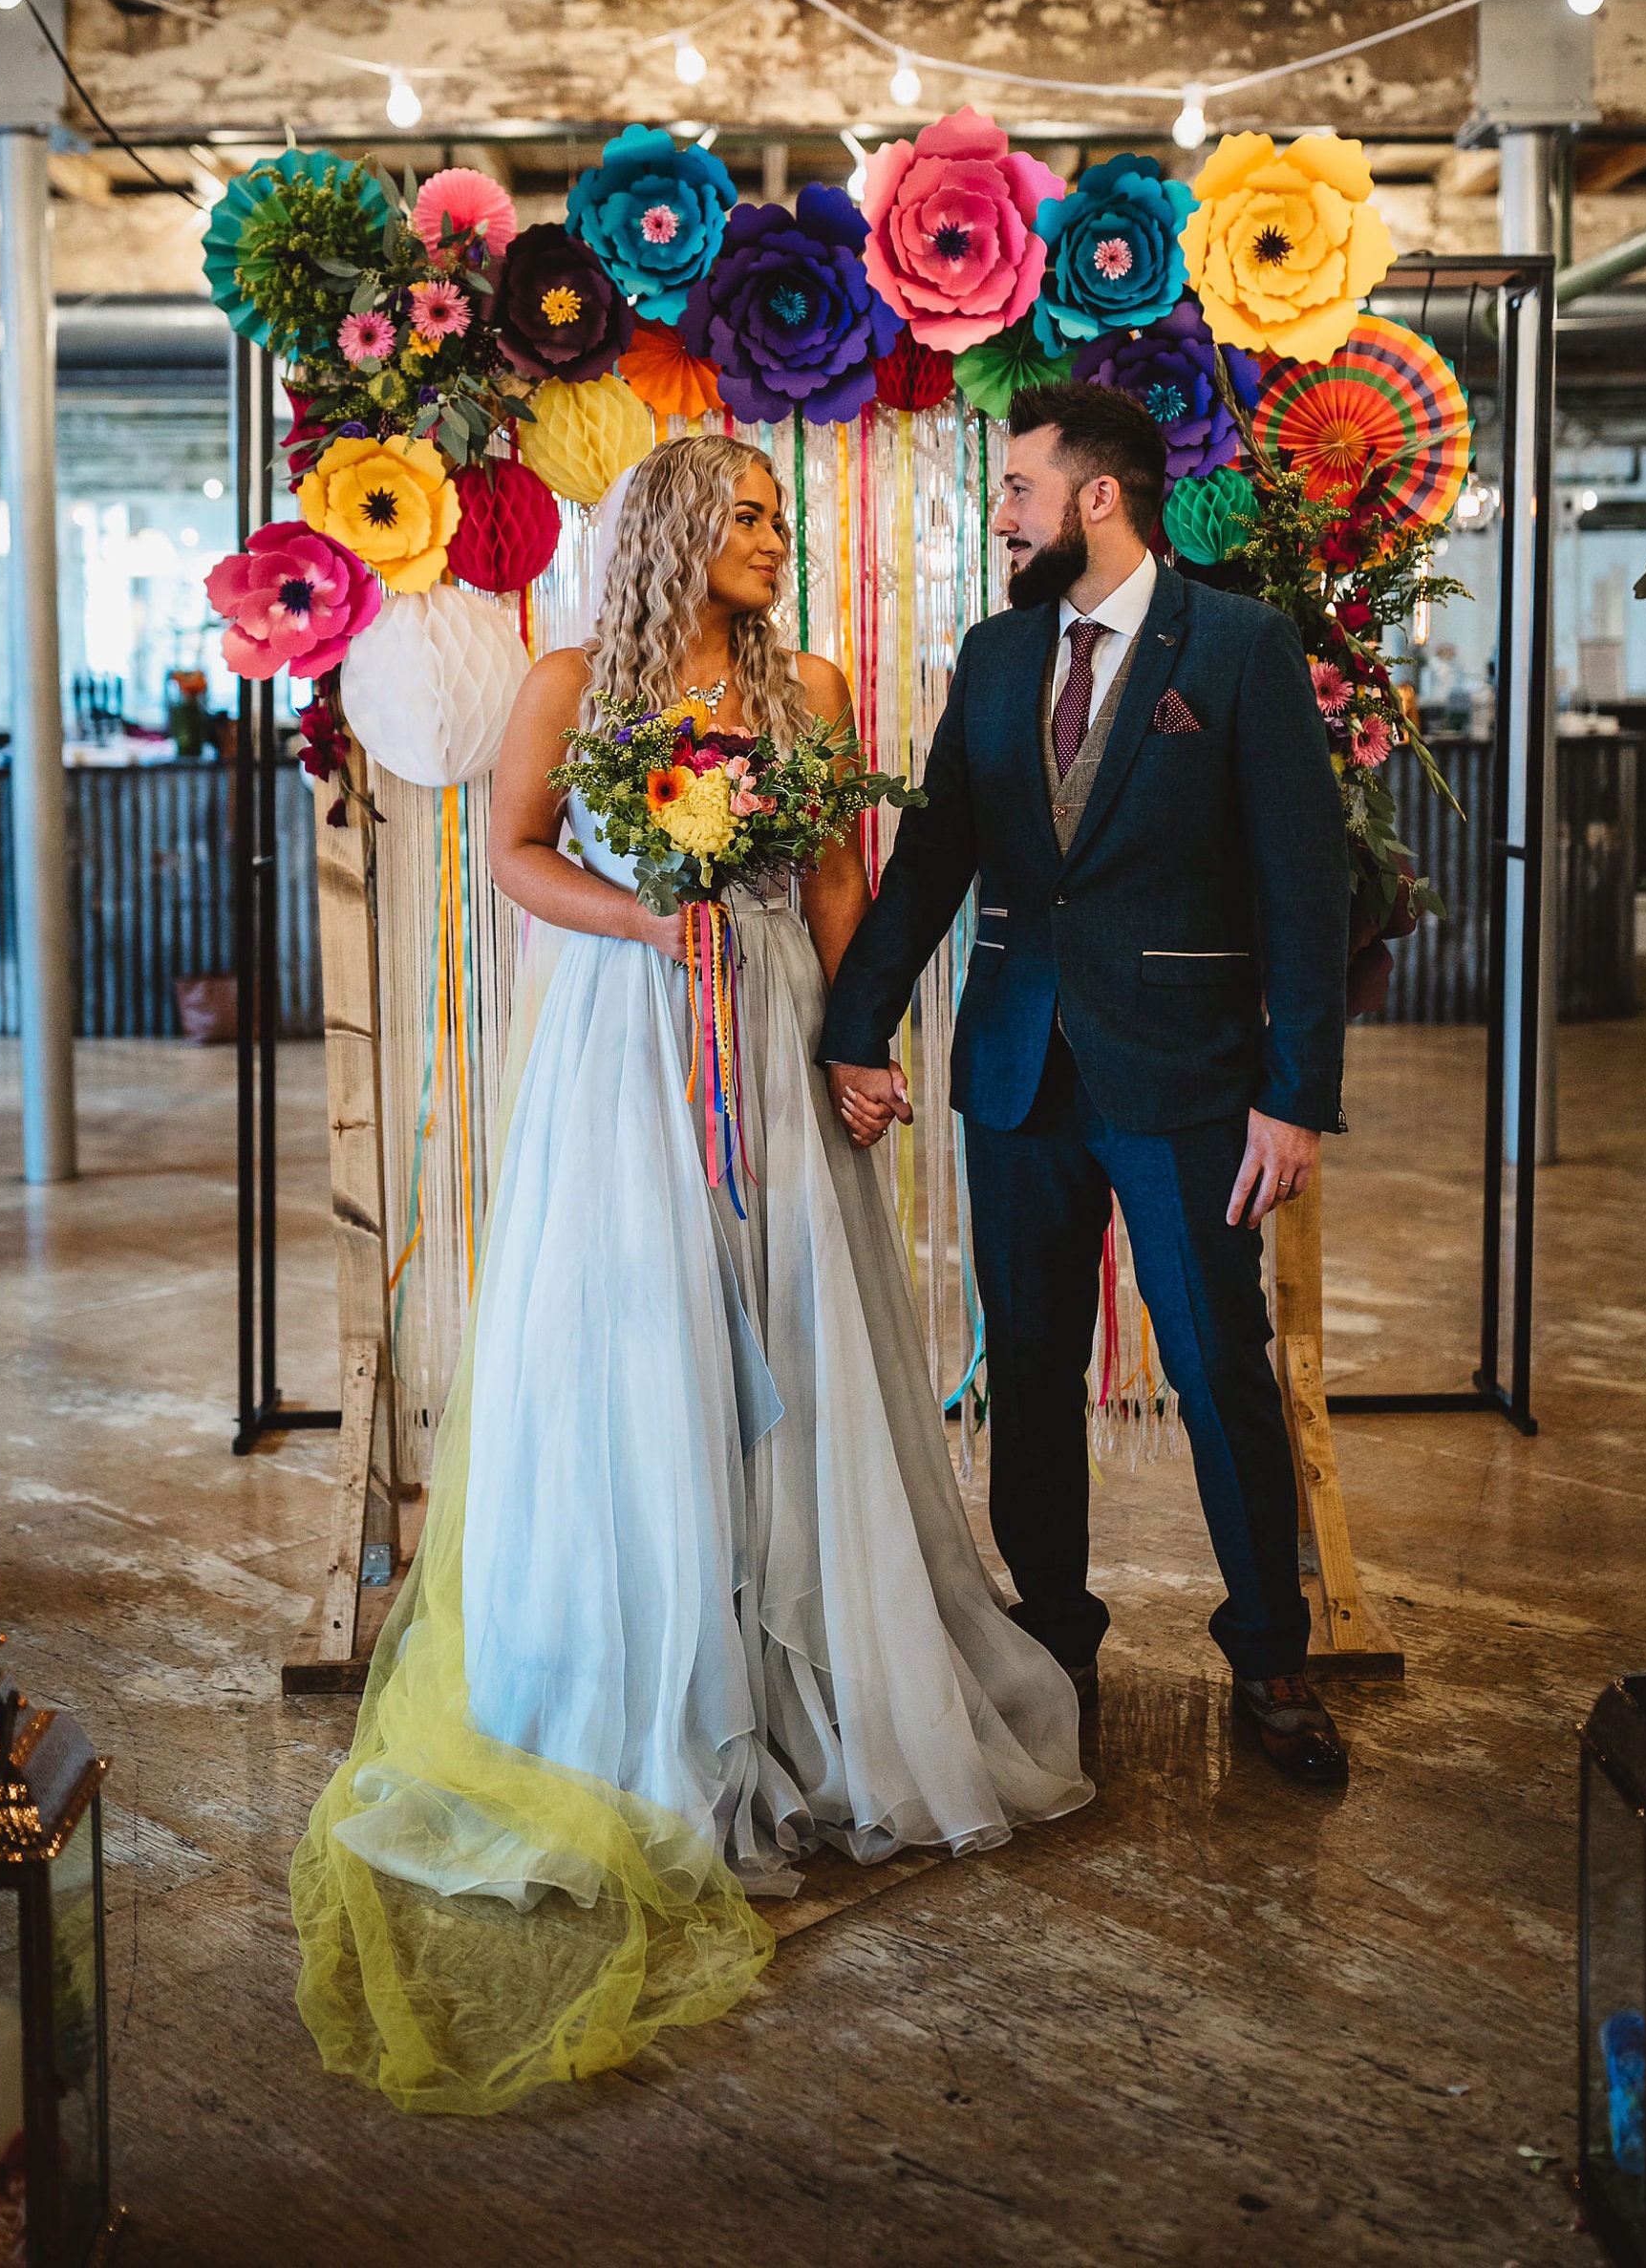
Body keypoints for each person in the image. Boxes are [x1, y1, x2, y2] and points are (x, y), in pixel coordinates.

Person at [292, 432, 1089, 2119]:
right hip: (628, 1039)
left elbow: (839, 875)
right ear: (669, 528)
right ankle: (652, 1701)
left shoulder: (807, 680)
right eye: (746, 514)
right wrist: (651, 926)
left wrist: (856, 1039)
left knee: (796, 1332)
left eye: (779, 515)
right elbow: (512, 855)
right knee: (642, 1345)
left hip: (779, 1027)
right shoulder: (572, 680)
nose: (773, 538)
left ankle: (822, 1694)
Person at [820, 383, 1352, 1788]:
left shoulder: (1239, 647)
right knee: (1036, 1376)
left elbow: (1306, 891)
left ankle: (1271, 1653)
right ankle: (1053, 1637)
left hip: (1186, 1082)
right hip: (1016, 1073)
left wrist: (1295, 1096)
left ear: (1096, 498)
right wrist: (853, 1021)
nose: (999, 516)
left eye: (1017, 490)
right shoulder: (996, 656)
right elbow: (936, 854)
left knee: (1218, 1368)